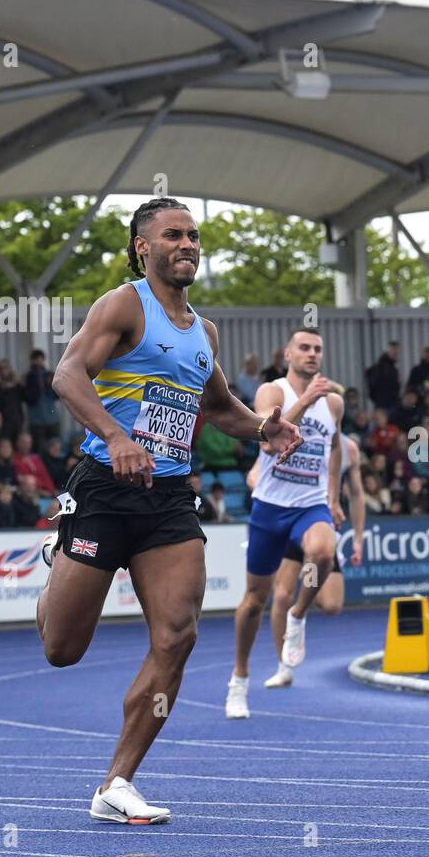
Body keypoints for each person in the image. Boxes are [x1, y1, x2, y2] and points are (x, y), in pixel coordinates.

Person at [35, 197, 300, 825]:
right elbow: (68, 376)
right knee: (62, 649)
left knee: (178, 635)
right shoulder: (124, 305)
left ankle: (117, 782)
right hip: (104, 488)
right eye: (172, 234)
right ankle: (59, 558)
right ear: (142, 247)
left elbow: (221, 407)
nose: (187, 244)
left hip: (170, 500)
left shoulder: (204, 333)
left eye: (193, 235)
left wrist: (263, 428)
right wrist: (117, 436)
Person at [228, 327, 343, 714]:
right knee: (253, 602)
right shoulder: (273, 393)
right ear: (288, 355)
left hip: (310, 505)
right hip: (270, 507)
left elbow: (337, 446)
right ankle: (239, 680)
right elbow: (264, 438)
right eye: (304, 348)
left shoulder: (335, 404)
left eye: (318, 349)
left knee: (324, 551)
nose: (312, 354)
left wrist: (334, 493)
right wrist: (306, 401)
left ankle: (297, 615)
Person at [232, 434, 367, 719]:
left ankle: (301, 606)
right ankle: (284, 666)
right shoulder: (290, 435)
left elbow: (356, 493)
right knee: (280, 594)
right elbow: (254, 475)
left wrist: (358, 536)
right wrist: (275, 494)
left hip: (320, 522)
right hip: (285, 518)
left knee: (331, 605)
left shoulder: (348, 448)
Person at [25, 349, 61, 451]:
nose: (39, 361)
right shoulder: (29, 376)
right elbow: (28, 398)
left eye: (40, 359)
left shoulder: (49, 374)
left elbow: (57, 395)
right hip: (37, 420)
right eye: (36, 359)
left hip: (51, 417)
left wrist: (49, 385)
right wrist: (38, 386)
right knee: (40, 449)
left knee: (55, 447)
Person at [0, 358, 26, 444]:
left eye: (6, 368)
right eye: (1, 369)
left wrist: (20, 384)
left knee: (18, 441)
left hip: (17, 417)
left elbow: (24, 396)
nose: (4, 371)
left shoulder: (17, 384)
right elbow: (3, 398)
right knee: (6, 441)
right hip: (5, 419)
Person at [365, 341, 401, 411]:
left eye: (397, 351)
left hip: (389, 403)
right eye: (393, 350)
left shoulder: (392, 368)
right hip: (385, 405)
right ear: (387, 351)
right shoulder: (382, 368)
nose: (396, 353)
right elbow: (373, 385)